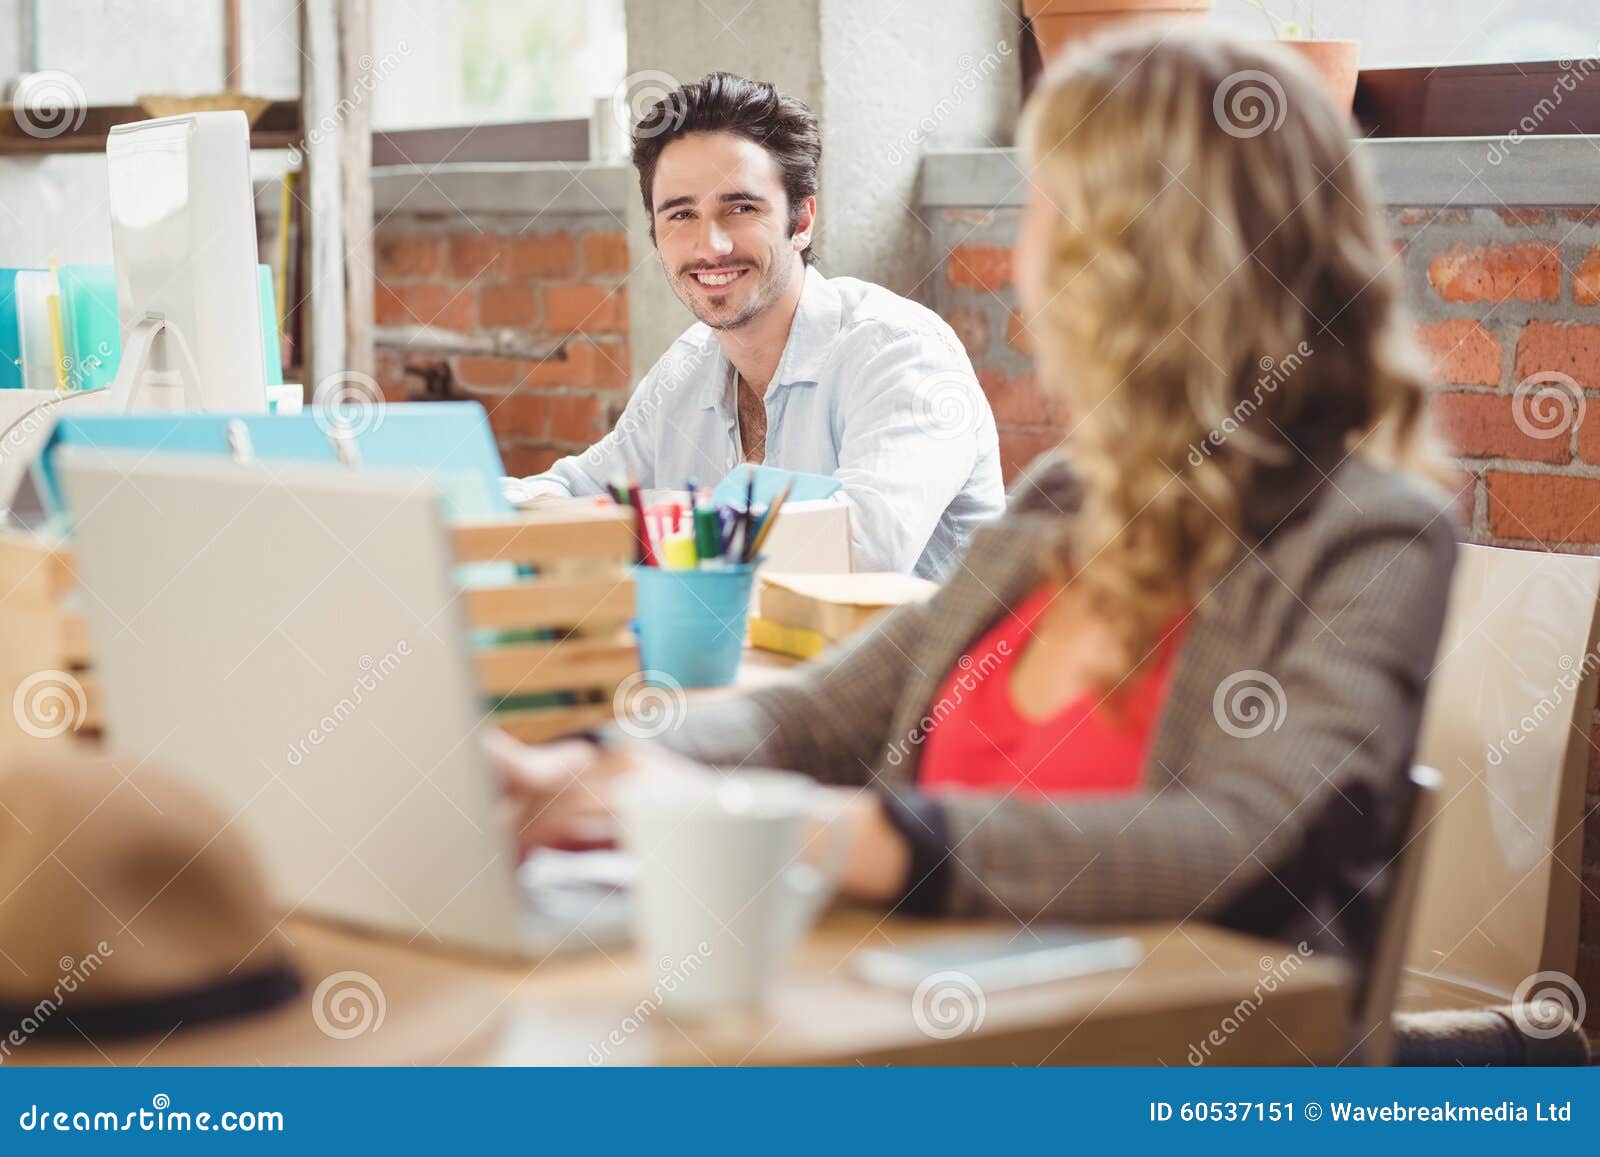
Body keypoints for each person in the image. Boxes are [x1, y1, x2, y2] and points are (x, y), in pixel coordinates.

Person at [488, 33, 1458, 964]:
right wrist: (588, 761)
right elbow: (814, 718)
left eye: (1058, 209)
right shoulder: (1067, 502)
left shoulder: (1370, 536)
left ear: (1165, 254)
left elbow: (1236, 838)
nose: (1030, 254)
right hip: (917, 993)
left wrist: (821, 833)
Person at [500, 72, 1005, 580]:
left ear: (800, 222)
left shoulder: (901, 351)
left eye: (741, 208)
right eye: (681, 215)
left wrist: (642, 522)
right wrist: (580, 516)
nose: (711, 246)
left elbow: (861, 553)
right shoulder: (688, 366)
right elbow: (556, 492)